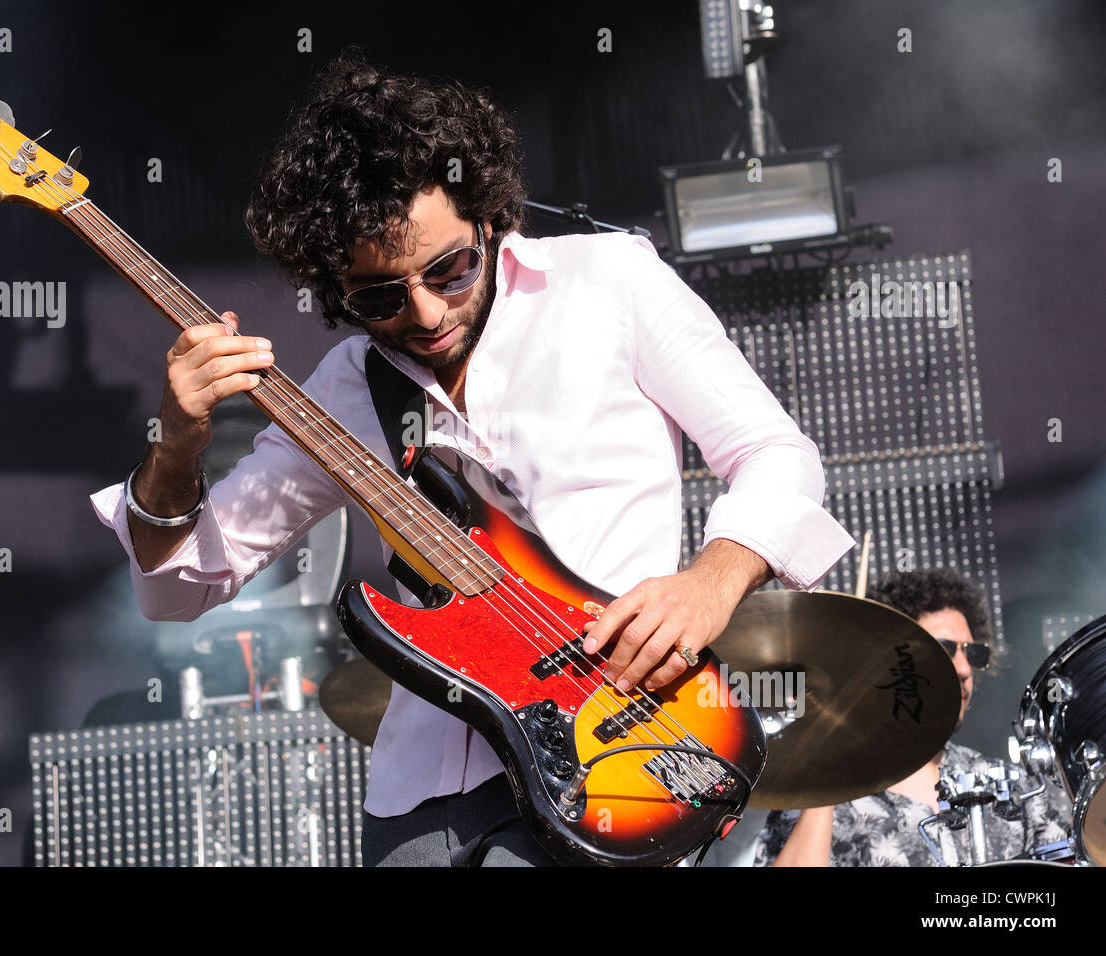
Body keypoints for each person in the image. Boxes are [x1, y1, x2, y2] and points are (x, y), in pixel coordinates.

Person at [89, 48, 855, 866]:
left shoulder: (610, 285)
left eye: (449, 268)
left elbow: (776, 452)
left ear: (489, 214)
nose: (426, 313)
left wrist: (714, 581)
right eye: (380, 296)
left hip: (618, 753)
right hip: (422, 800)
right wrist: (178, 446)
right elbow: (178, 588)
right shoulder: (342, 392)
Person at [756, 568, 1072, 867]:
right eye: (945, 649)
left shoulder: (1011, 786)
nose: (964, 670)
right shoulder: (826, 795)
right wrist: (828, 776)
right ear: (893, 663)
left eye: (972, 653)